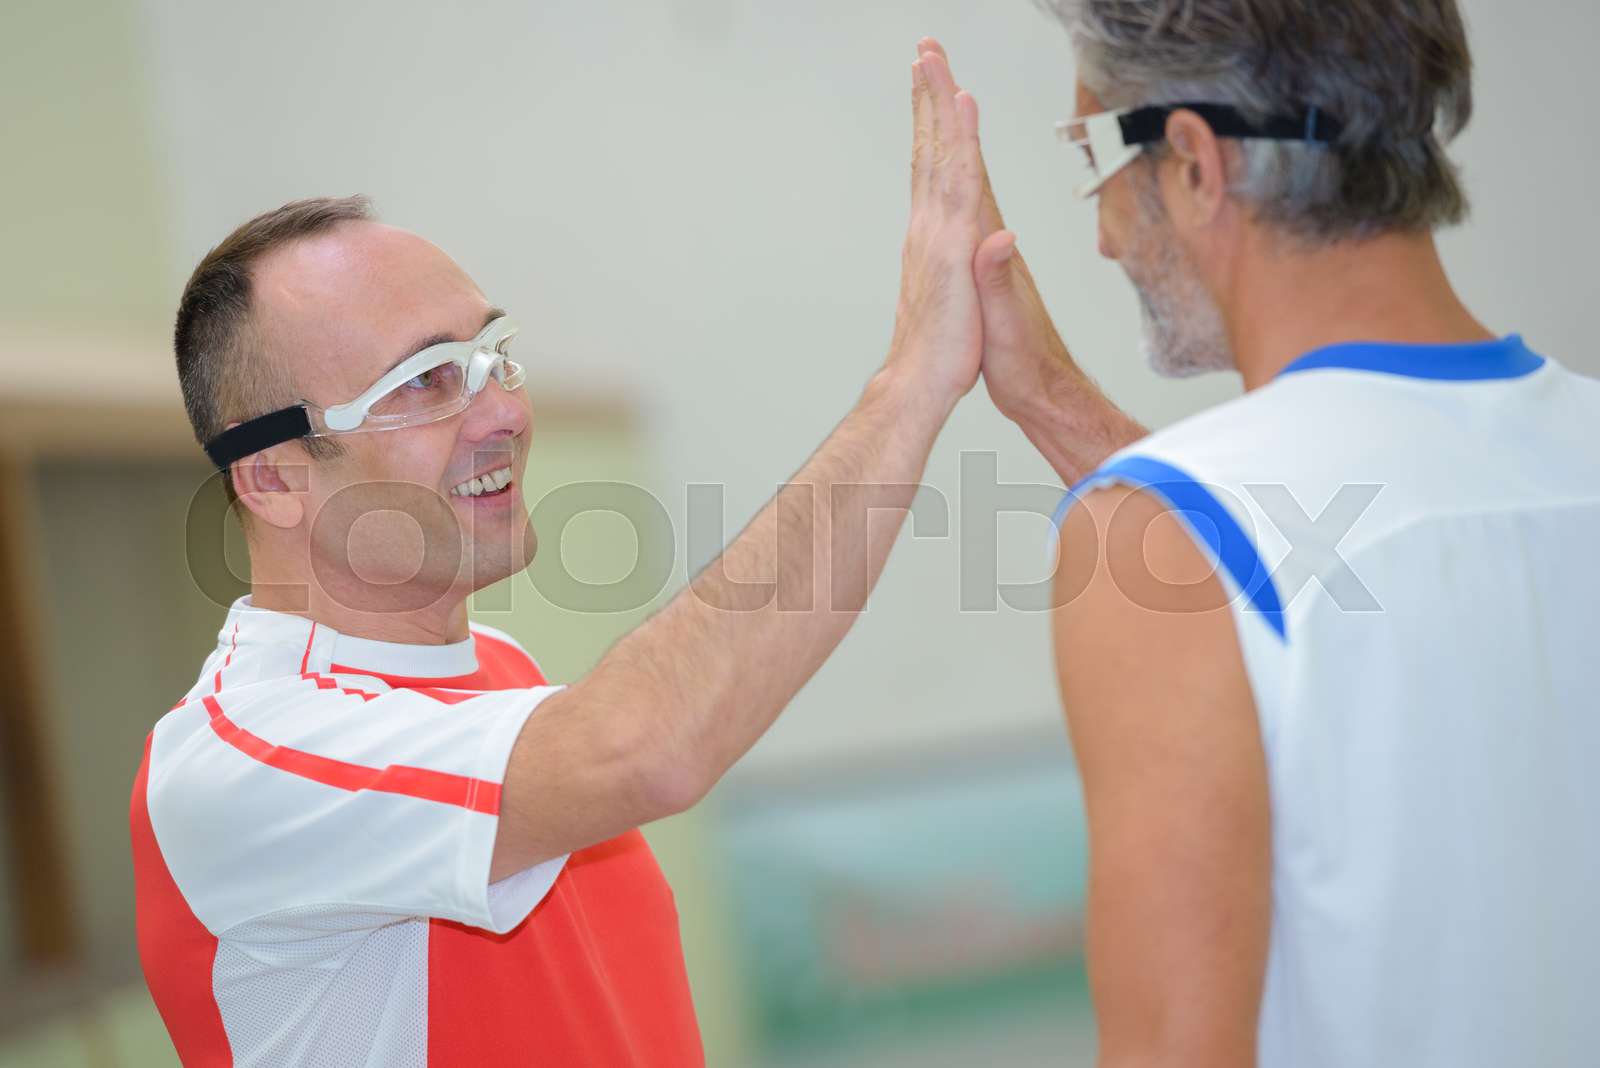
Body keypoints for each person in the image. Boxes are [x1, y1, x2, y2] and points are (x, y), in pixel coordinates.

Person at [130, 45, 1137, 1065]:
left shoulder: (503, 674)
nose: (504, 411)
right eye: (428, 382)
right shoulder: (248, 761)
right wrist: (913, 378)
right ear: (272, 479)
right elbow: (651, 743)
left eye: (492, 356)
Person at [959, 2, 1600, 1064]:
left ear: (1195, 165)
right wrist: (1048, 400)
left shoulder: (1155, 539)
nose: (1103, 234)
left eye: (1093, 157)